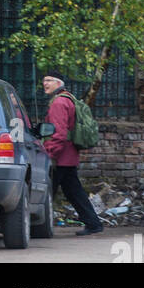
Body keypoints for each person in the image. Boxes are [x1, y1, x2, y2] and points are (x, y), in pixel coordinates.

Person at [41, 73, 103, 235]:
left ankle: (38, 227)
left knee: (46, 192)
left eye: (48, 81)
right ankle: (93, 223)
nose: (44, 84)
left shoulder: (59, 103)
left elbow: (59, 133)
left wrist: (49, 153)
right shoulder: (68, 98)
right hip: (68, 155)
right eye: (44, 80)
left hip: (59, 157)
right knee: (73, 192)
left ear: (58, 83)